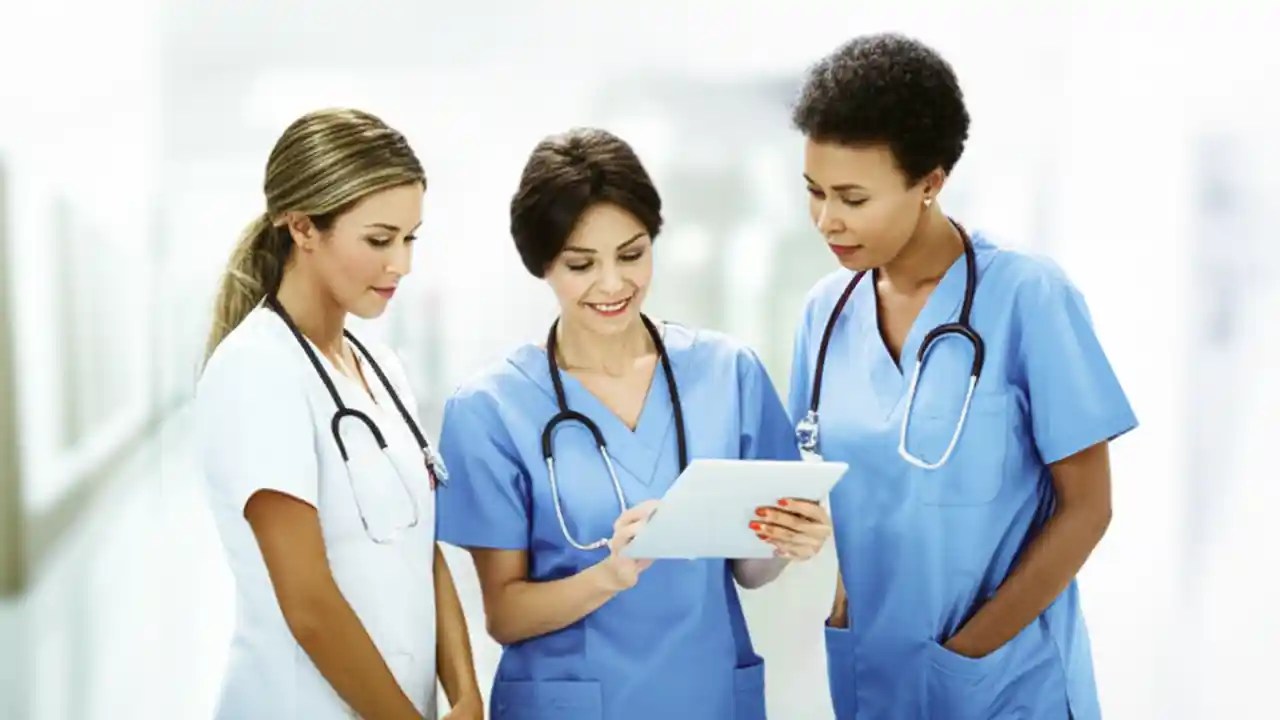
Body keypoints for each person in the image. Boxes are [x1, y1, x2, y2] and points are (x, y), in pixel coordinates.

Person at [787, 34, 1138, 719]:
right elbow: (836, 492)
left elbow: (1088, 508)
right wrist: (840, 604)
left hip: (1005, 683)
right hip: (874, 673)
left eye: (853, 198)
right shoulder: (824, 314)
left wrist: (970, 652)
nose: (828, 220)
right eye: (815, 192)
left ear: (930, 182)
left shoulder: (1028, 297)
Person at [434, 127, 833, 719]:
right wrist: (611, 575)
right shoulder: (491, 409)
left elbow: (750, 571)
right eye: (581, 264)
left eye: (632, 254)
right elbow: (505, 616)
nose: (613, 284)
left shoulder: (728, 374)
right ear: (541, 263)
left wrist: (789, 541)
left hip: (706, 697)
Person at [195, 108, 482, 719]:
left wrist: (466, 693)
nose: (401, 263)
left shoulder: (381, 366)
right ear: (302, 227)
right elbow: (309, 604)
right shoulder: (256, 370)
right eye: (379, 240)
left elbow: (420, 547)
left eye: (410, 238)